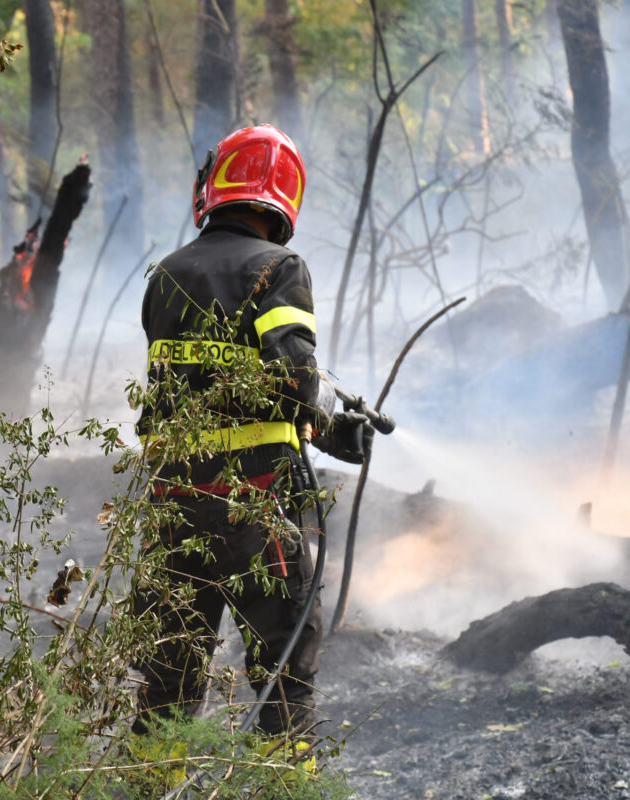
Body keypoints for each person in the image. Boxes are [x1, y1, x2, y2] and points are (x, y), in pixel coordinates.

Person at [132, 124, 369, 741]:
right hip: (254, 509)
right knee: (284, 682)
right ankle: (286, 780)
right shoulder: (278, 268)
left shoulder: (166, 274)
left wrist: (318, 414)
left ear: (214, 184)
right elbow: (291, 379)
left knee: (166, 688)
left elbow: (202, 385)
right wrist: (331, 423)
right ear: (285, 201)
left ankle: (152, 780)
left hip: (172, 509)